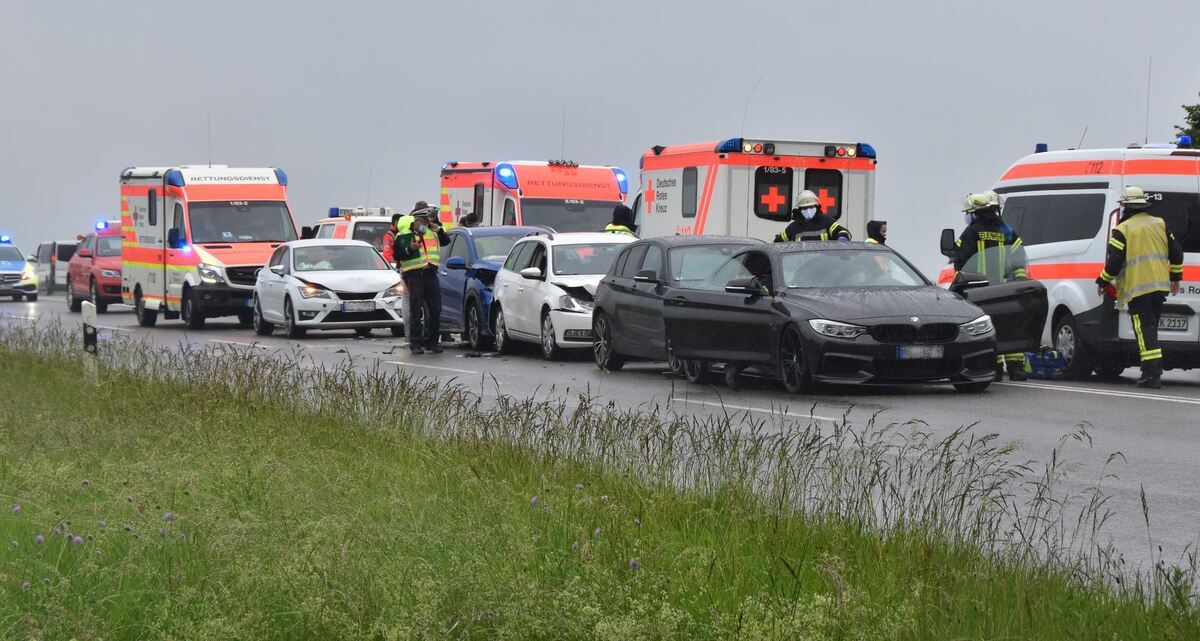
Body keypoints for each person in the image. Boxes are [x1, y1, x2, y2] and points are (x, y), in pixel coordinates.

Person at [1096, 186, 1184, 388]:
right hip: (1160, 287)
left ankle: (1151, 374)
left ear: (1126, 206)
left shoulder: (1123, 230)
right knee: (1151, 329)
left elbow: (1114, 262)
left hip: (1139, 288)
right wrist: (1175, 278)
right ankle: (1153, 371)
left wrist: (1102, 281)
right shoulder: (1160, 224)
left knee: (1144, 331)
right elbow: (1177, 252)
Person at [953, 191, 1029, 381]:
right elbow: (1019, 260)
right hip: (1006, 291)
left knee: (985, 330)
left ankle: (993, 367)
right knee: (1010, 327)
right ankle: (1016, 368)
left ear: (975, 213)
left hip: (978, 291)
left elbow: (960, 263)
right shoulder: (1008, 232)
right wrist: (1017, 284)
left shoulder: (970, 233)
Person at [393, 203, 451, 355]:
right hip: (413, 275)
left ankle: (432, 342)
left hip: (430, 274)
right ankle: (415, 343)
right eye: (423, 221)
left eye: (427, 221)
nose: (425, 224)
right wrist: (409, 249)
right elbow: (397, 255)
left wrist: (440, 231)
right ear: (416, 221)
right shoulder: (404, 234)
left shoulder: (432, 232)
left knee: (435, 309)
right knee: (416, 310)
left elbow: (446, 241)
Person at [775, 190, 851, 242]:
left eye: (811, 207)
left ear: (817, 207)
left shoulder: (827, 221)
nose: (808, 210)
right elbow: (778, 243)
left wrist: (842, 237)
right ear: (799, 210)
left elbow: (842, 231)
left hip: (826, 263)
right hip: (802, 265)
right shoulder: (793, 227)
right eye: (805, 208)